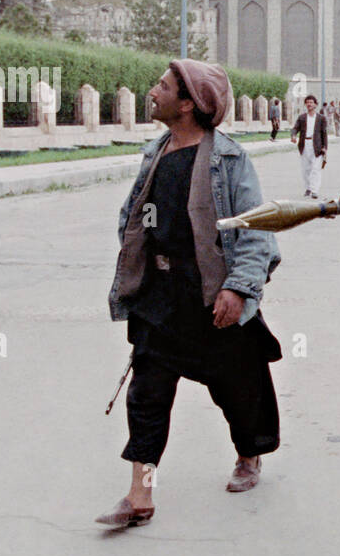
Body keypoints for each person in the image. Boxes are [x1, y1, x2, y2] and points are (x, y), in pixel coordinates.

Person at [99, 60, 283, 527]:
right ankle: (140, 493)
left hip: (209, 294)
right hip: (160, 297)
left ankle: (249, 454)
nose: (152, 90)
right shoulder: (156, 151)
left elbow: (257, 230)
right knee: (147, 393)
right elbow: (136, 216)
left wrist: (238, 289)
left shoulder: (229, 159)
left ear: (188, 103)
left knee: (238, 387)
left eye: (162, 86)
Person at [291, 94, 328, 198]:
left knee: (316, 169)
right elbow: (295, 128)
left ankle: (314, 190)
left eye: (311, 102)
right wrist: (293, 136)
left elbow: (324, 134)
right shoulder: (302, 118)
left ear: (315, 105)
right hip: (305, 145)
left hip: (317, 146)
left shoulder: (321, 118)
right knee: (306, 169)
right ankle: (308, 188)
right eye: (307, 102)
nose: (309, 104)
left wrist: (325, 147)